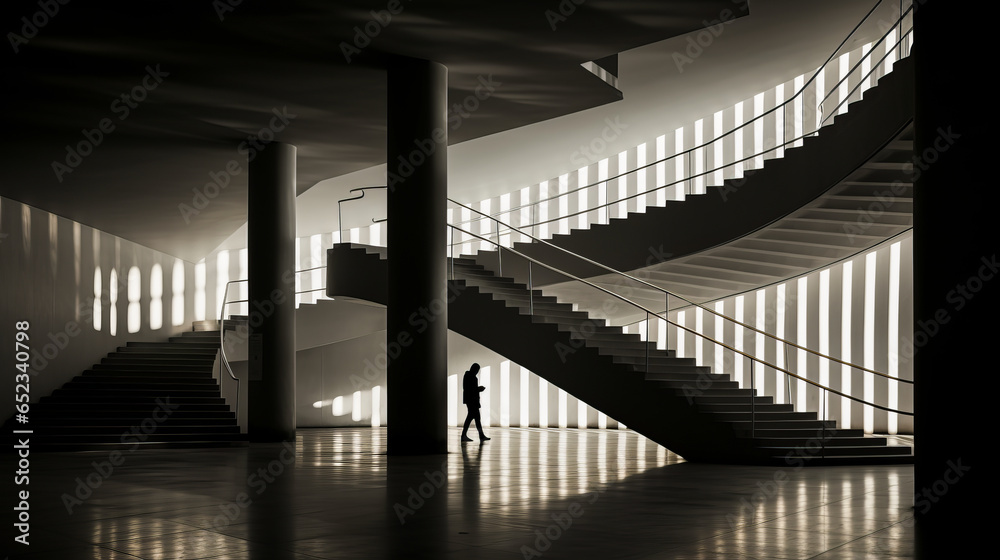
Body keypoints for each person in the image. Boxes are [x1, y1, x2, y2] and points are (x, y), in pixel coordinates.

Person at [461, 363, 490, 442]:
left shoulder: (468, 376)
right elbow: (470, 389)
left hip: (470, 400)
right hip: (472, 401)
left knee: (474, 418)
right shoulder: (472, 377)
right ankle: (468, 435)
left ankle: (478, 435)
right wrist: (478, 389)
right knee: (473, 418)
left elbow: (467, 389)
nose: (477, 372)